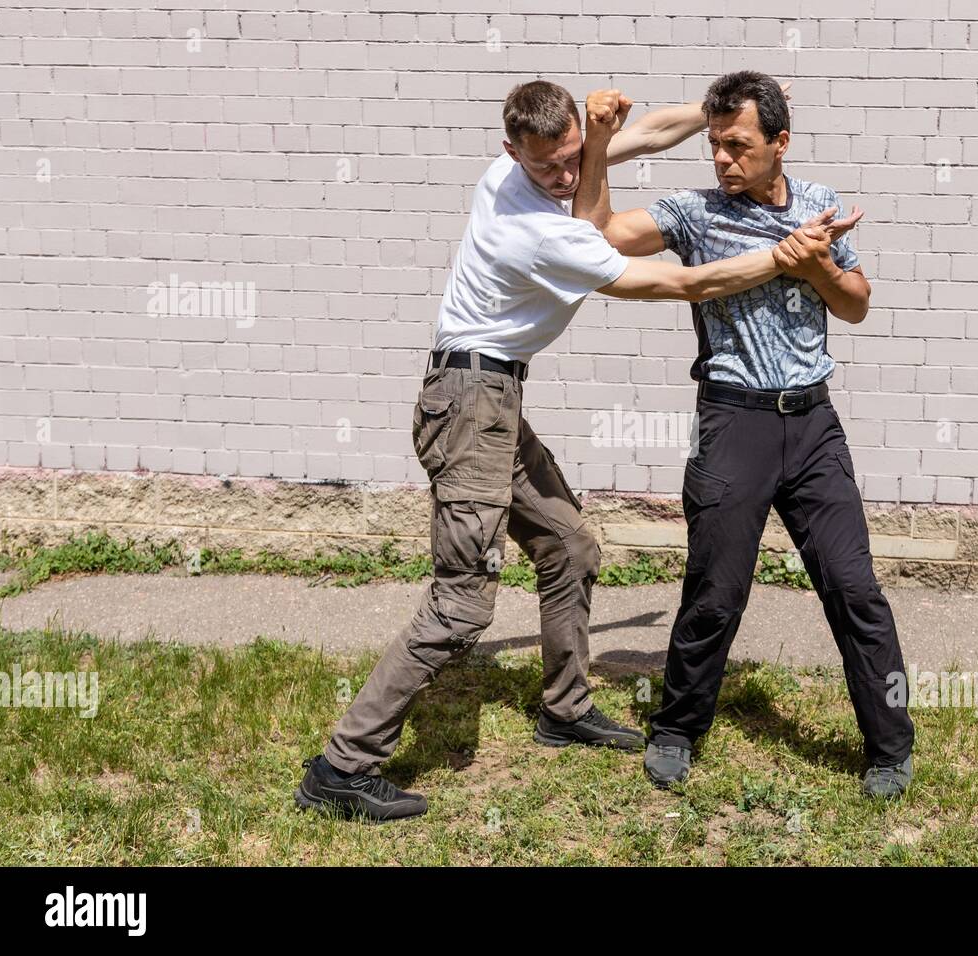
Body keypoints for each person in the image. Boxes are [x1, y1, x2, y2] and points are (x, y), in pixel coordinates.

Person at [295, 81, 854, 821]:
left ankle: (564, 709)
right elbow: (684, 282)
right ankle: (342, 766)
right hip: (468, 409)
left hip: (493, 401)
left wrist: (717, 106)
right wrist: (781, 257)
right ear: (511, 154)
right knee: (462, 607)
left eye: (572, 161)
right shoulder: (540, 230)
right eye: (547, 169)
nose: (564, 179)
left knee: (569, 547)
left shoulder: (529, 163)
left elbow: (650, 133)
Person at [573, 71, 915, 799]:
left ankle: (890, 745)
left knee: (854, 588)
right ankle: (676, 728)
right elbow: (599, 235)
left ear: (779, 143)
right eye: (715, 145)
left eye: (738, 145)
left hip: (814, 424)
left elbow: (854, 306)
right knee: (716, 591)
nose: (723, 159)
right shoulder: (694, 214)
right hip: (733, 421)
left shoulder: (821, 205)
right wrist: (597, 147)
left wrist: (816, 257)